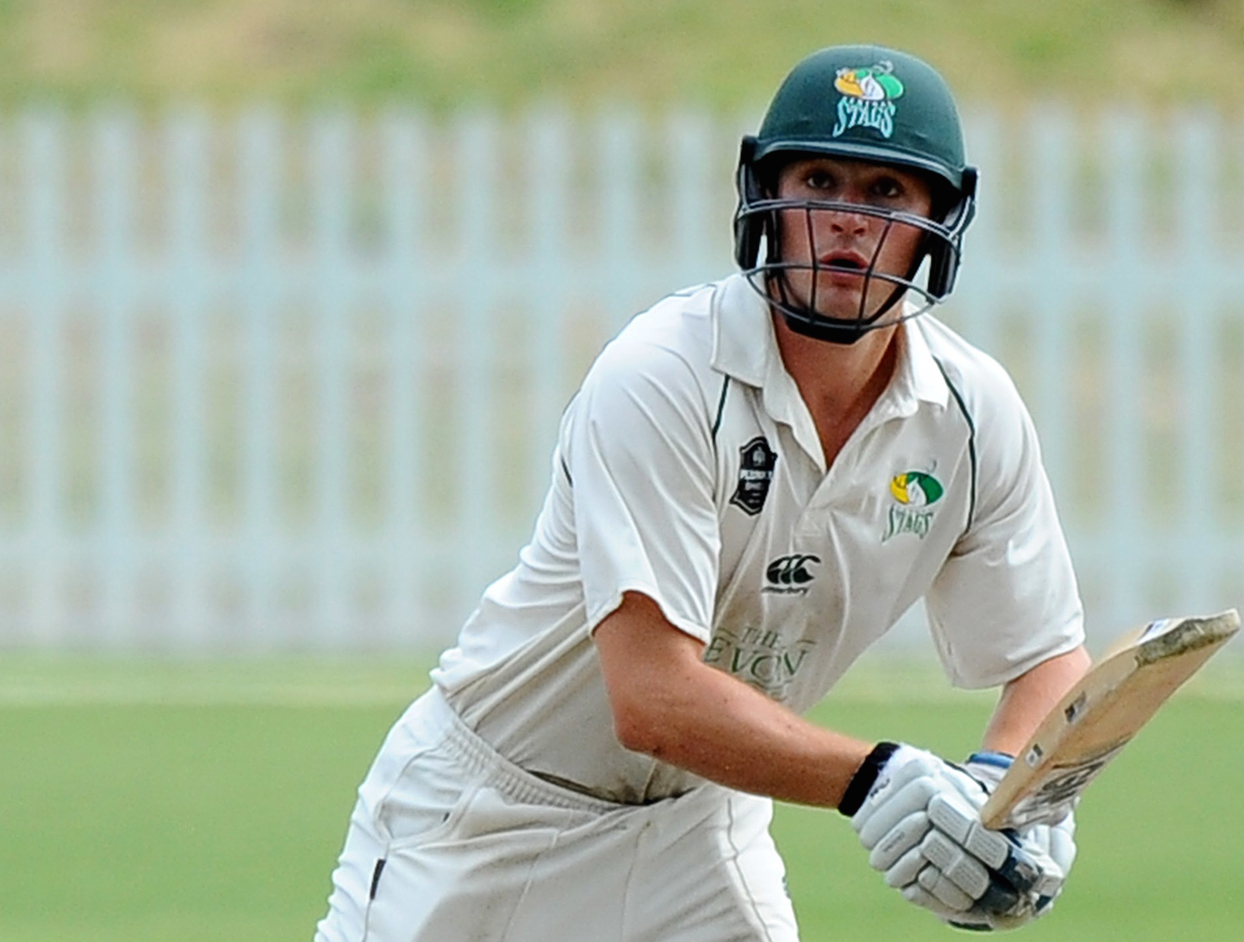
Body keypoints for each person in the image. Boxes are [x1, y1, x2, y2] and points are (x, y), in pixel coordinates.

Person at [315, 43, 1090, 942]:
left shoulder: (970, 410)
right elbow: (653, 698)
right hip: (486, 816)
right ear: (768, 196)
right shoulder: (666, 375)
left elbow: (1048, 656)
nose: (848, 223)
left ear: (935, 221)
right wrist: (879, 780)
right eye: (821, 182)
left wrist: (1009, 795)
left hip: (696, 828)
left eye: (886, 195)